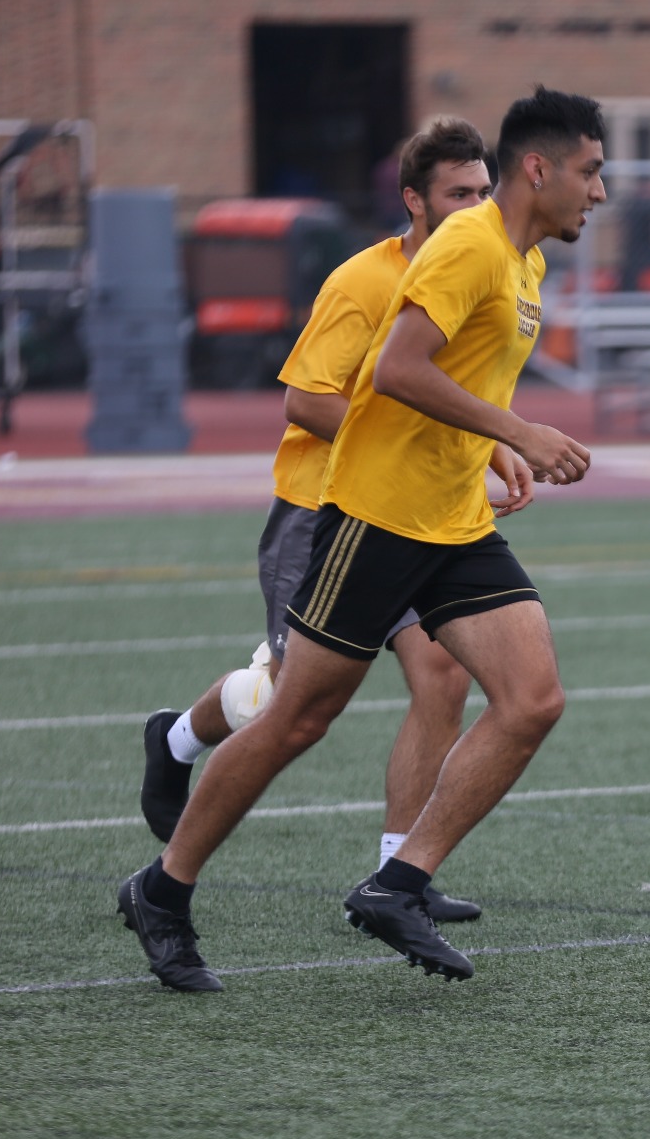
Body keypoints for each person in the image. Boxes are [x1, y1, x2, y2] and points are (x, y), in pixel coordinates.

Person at [118, 87, 603, 991]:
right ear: (540, 168)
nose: (600, 190)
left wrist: (495, 442)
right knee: (298, 714)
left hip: (453, 520)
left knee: (532, 699)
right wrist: (524, 431)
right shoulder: (468, 242)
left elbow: (452, 378)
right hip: (376, 514)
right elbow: (398, 370)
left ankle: (397, 881)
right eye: (591, 169)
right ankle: (162, 887)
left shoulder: (525, 263)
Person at [139, 117, 502, 924]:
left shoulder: (486, 271)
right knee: (283, 706)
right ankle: (174, 740)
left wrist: (483, 446)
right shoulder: (363, 281)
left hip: (412, 518)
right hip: (324, 511)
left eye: (484, 192)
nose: (477, 206)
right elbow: (306, 398)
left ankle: (398, 875)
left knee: (443, 675)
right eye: (458, 193)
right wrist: (401, 450)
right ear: (413, 199)